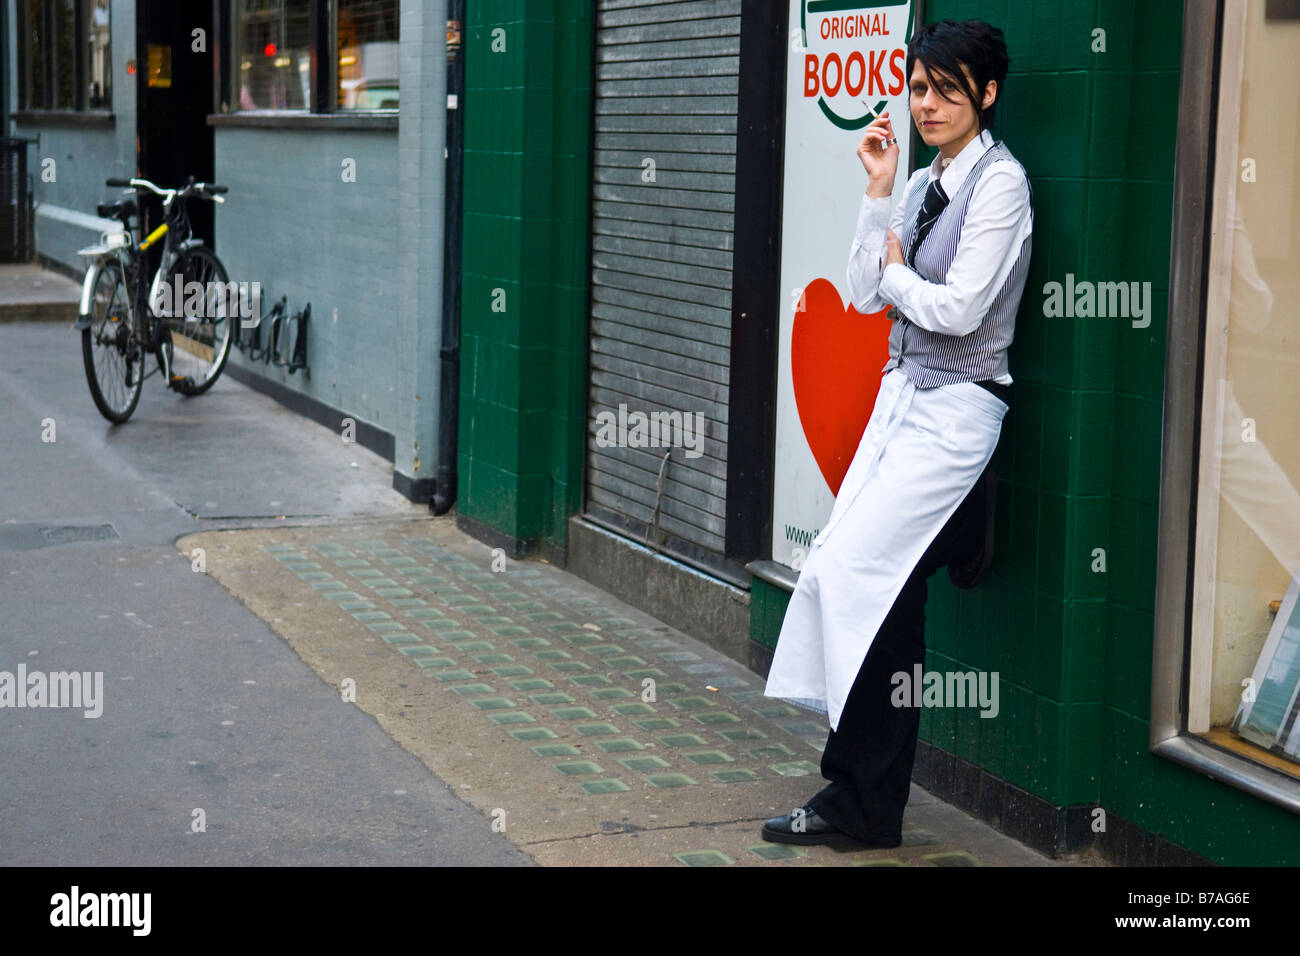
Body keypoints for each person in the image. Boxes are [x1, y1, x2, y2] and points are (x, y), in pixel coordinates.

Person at [761, 18, 1033, 847]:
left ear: (986, 95)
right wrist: (879, 189)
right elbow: (863, 291)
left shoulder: (1002, 185)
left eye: (948, 90)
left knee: (860, 576)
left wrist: (897, 273)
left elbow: (961, 309)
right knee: (866, 587)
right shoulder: (918, 185)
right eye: (919, 88)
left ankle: (859, 802)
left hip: (957, 412)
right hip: (900, 405)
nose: (927, 105)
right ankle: (862, 802)